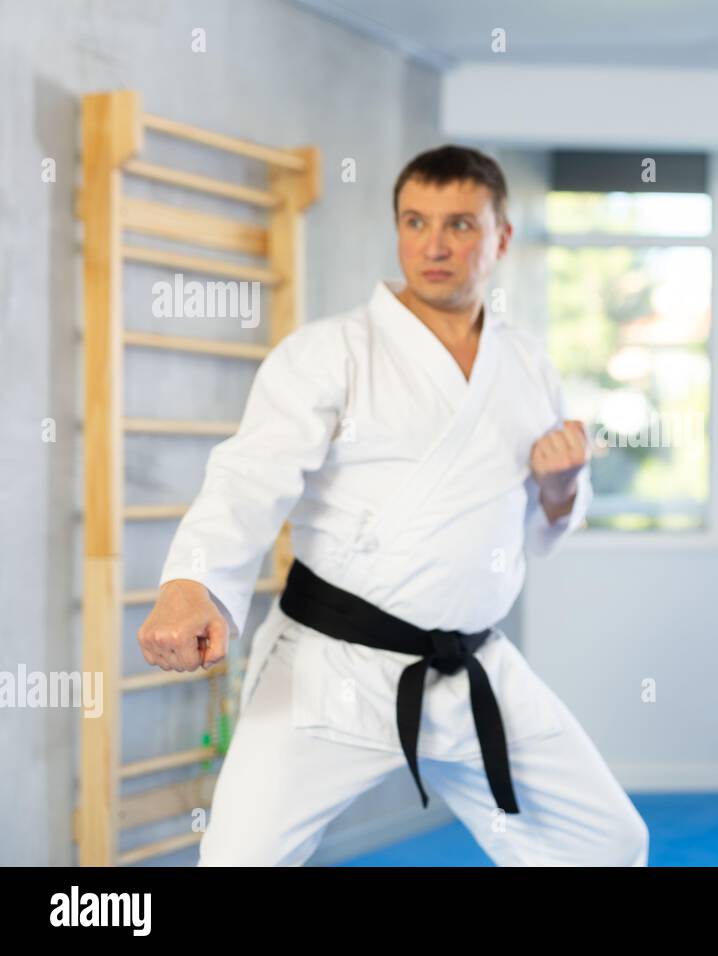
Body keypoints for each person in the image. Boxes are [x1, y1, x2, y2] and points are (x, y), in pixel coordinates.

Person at [138, 145, 649, 866]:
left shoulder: (528, 365)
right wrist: (191, 585)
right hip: (330, 667)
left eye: (461, 225)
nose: (434, 245)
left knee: (609, 840)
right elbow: (249, 477)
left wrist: (562, 487)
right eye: (415, 221)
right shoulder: (328, 352)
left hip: (473, 667)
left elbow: (543, 529)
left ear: (501, 237)